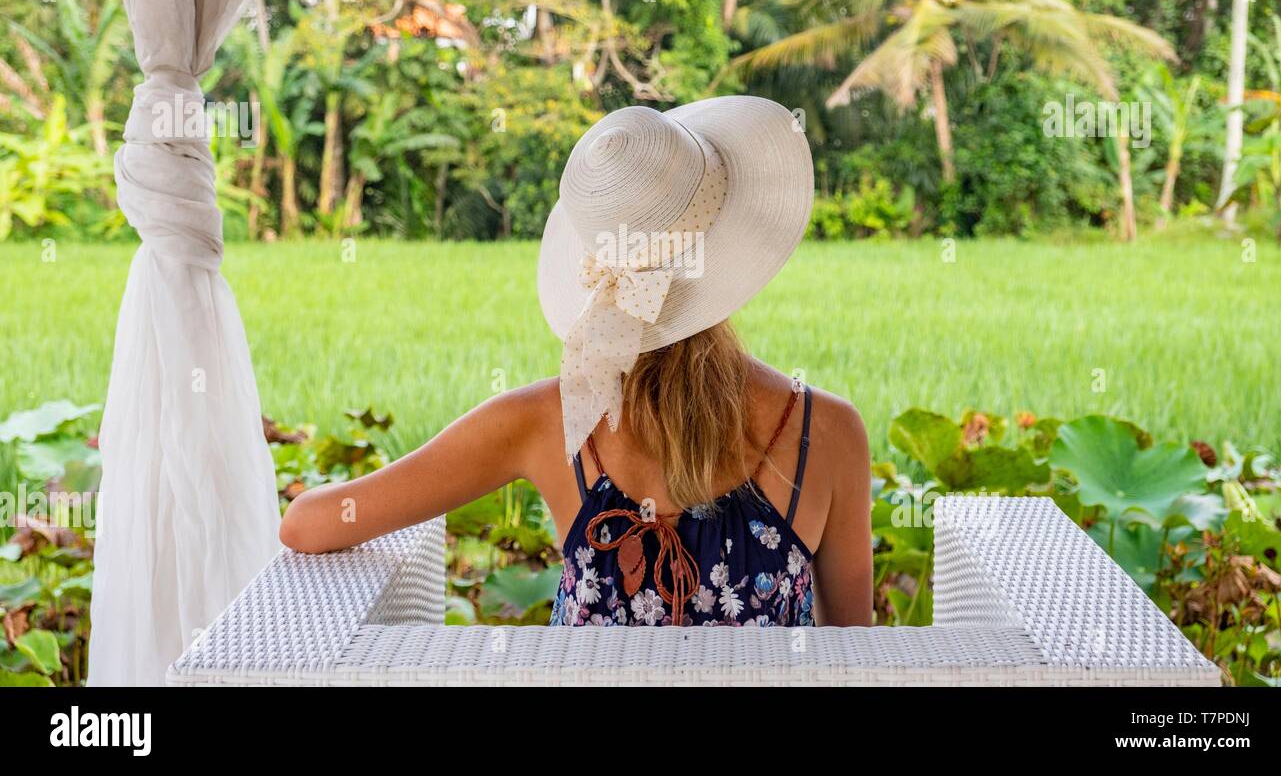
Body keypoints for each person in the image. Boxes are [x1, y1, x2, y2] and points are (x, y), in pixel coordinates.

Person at [280, 96, 873, 627]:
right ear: (728, 247)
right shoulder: (828, 431)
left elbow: (307, 525)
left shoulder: (545, 421)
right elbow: (853, 652)